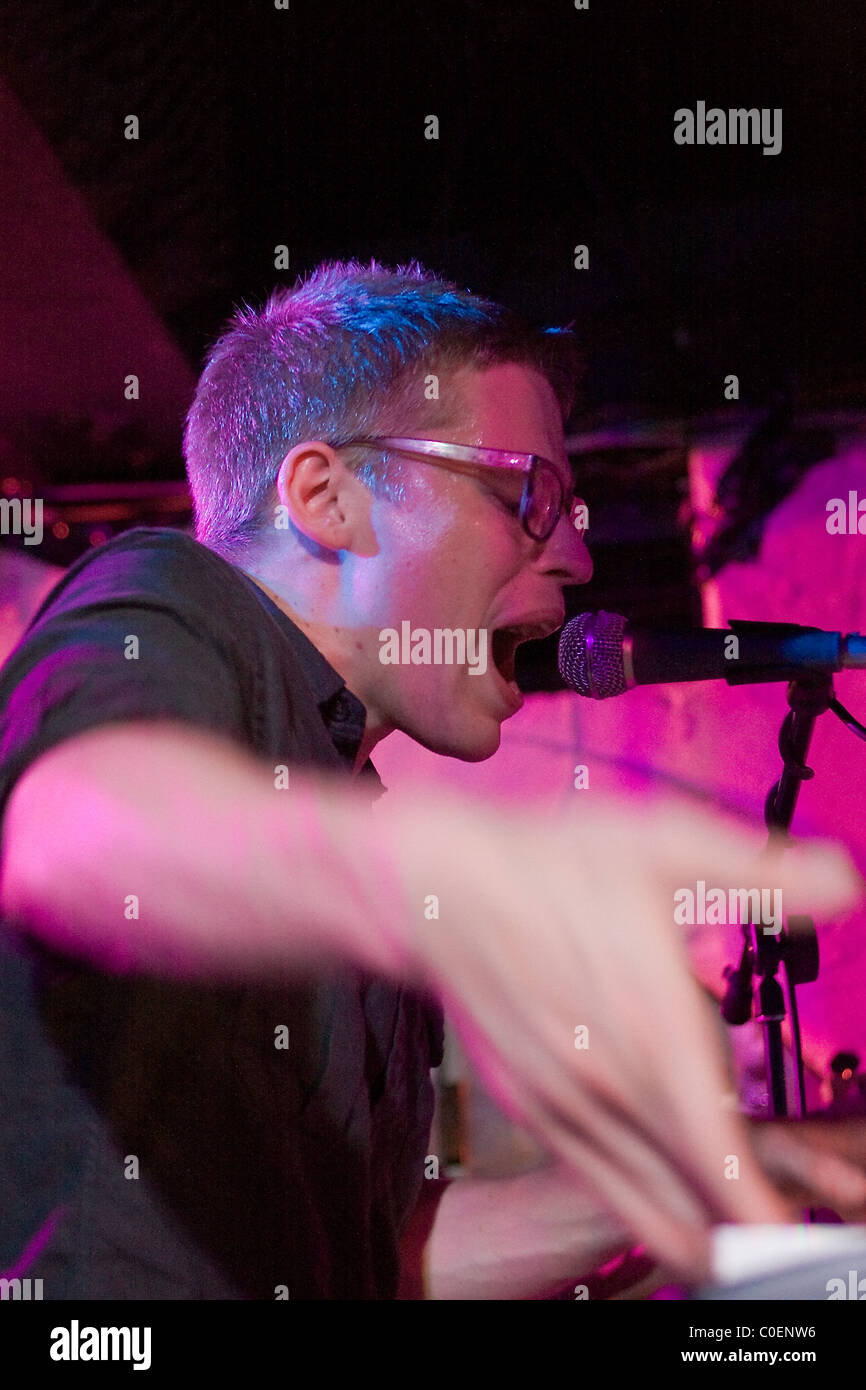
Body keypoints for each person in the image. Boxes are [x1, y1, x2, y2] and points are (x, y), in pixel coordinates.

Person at [0, 260, 860, 1300]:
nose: (579, 555)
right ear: (326, 497)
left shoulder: (347, 803)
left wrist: (721, 1166)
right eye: (527, 494)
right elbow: (70, 831)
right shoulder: (172, 599)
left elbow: (389, 1257)